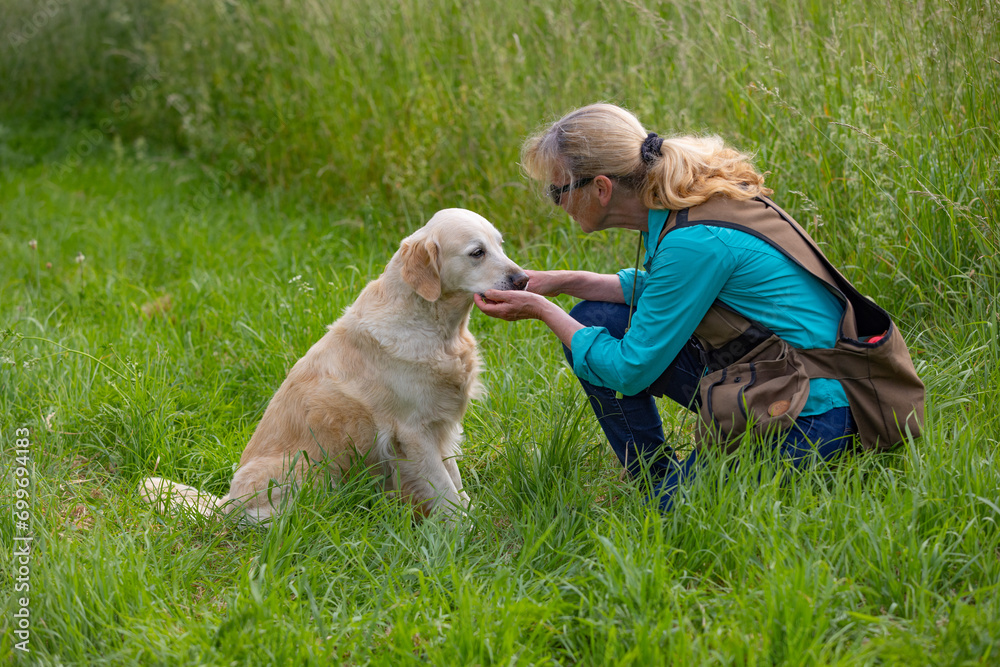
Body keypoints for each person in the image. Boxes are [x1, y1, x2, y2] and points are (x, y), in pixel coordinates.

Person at [474, 103, 924, 511]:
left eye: (558, 192)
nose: (558, 205)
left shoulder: (693, 240)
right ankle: (653, 477)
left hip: (820, 408)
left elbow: (632, 369)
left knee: (677, 514)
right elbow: (673, 291)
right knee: (596, 317)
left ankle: (669, 491)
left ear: (603, 188)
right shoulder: (686, 203)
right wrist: (568, 283)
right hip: (775, 373)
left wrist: (544, 311)